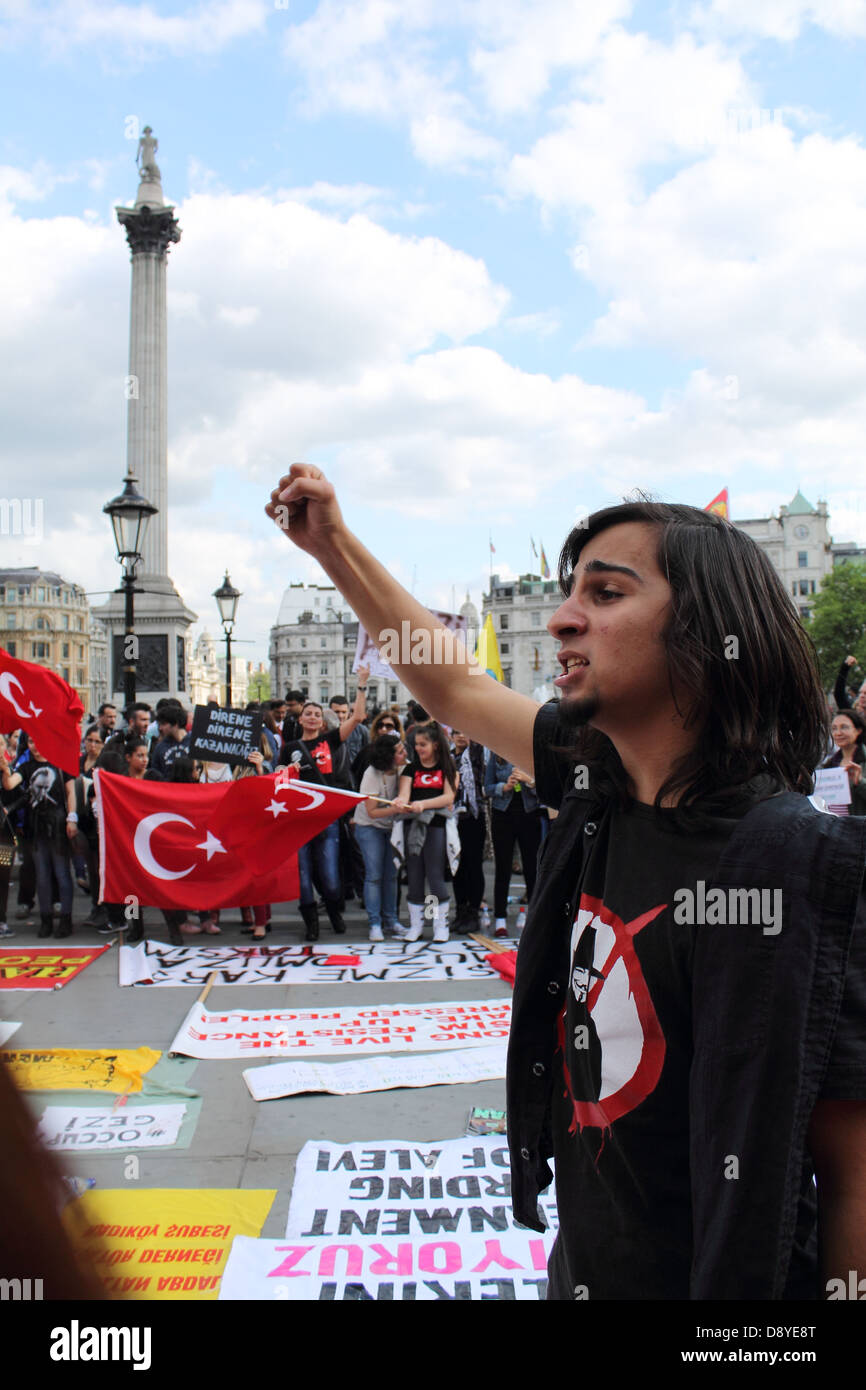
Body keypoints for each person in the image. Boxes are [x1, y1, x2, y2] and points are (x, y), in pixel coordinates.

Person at [267, 464, 866, 1302]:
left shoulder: (809, 867)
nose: (561, 620)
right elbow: (455, 684)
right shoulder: (595, 782)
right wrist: (332, 543)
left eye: (607, 594)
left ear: (707, 631)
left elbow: (852, 1186)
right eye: (566, 592)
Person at [279, 672, 369, 940]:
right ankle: (311, 925)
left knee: (330, 877)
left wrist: (361, 685)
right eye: (308, 713)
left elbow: (358, 718)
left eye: (317, 714)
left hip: (326, 820)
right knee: (303, 876)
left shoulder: (329, 741)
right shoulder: (290, 748)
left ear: (322, 721)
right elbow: (279, 780)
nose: (313, 717)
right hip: (299, 821)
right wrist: (287, 771)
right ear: (300, 718)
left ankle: (333, 909)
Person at [0, 736, 76, 939]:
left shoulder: (60, 763)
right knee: (41, 874)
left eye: (39, 741)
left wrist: (72, 818)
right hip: (35, 826)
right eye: (32, 742)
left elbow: (70, 793)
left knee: (61, 873)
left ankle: (66, 920)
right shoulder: (25, 766)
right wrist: (5, 767)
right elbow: (9, 784)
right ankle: (46, 920)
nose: (36, 746)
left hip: (58, 824)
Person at [394, 721, 457, 942]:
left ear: (436, 745)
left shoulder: (446, 767)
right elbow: (404, 792)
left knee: (435, 875)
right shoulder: (411, 769)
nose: (419, 748)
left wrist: (425, 804)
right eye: (417, 744)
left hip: (436, 826)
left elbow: (449, 797)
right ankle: (416, 925)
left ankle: (440, 925)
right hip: (412, 826)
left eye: (423, 744)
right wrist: (401, 802)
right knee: (415, 875)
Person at [353, 734, 409, 941]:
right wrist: (394, 808)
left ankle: (391, 920)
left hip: (392, 827)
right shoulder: (371, 773)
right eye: (400, 751)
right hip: (370, 827)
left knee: (392, 875)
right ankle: (375, 923)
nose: (405, 754)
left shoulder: (405, 768)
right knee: (374, 876)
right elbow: (372, 812)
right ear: (388, 756)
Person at [484, 751, 544, 938]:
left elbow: (546, 789)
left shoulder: (531, 753)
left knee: (531, 868)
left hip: (529, 814)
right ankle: (500, 918)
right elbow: (487, 787)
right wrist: (504, 787)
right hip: (503, 814)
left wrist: (529, 781)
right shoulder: (497, 753)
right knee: (503, 867)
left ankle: (531, 916)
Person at [450, 728, 487, 936]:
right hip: (452, 817)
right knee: (457, 866)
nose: (462, 735)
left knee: (474, 865)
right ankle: (460, 910)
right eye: (457, 731)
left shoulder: (475, 754)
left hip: (473, 815)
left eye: (466, 731)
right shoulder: (448, 757)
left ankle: (473, 912)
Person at [821, 709, 866, 816]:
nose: (838, 733)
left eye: (844, 727)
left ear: (858, 730)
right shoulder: (829, 764)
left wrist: (860, 782)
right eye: (834, 728)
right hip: (834, 827)